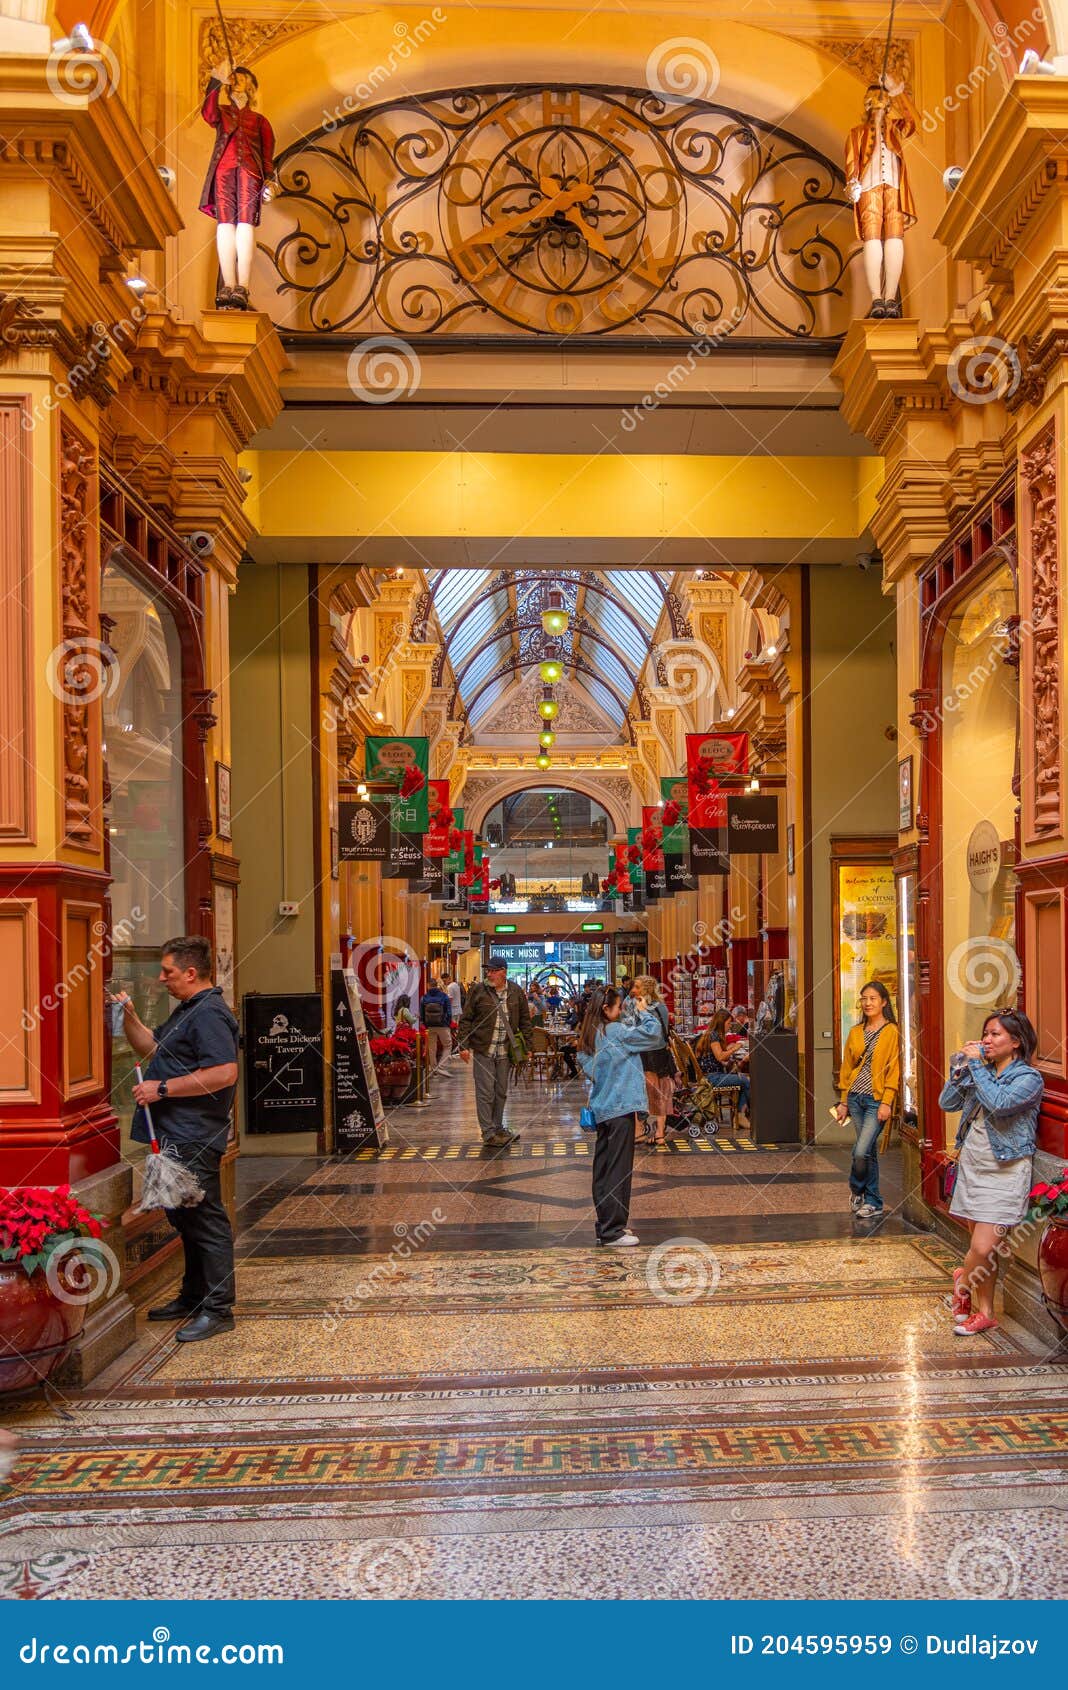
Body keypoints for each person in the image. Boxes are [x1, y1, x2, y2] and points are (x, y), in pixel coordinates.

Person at [112, 936, 239, 1342]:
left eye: (167, 972)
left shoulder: (209, 1014)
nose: (162, 979)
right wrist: (129, 1015)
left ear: (190, 972)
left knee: (205, 1219)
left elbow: (224, 1073)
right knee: (183, 1217)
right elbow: (151, 1047)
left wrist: (161, 1090)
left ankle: (219, 1309)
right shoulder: (188, 1010)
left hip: (195, 1134)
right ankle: (193, 1295)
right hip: (174, 1134)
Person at [939, 1009, 1043, 1336]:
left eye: (995, 1034)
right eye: (985, 1033)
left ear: (1016, 1042)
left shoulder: (1029, 1079)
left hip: (1006, 1171)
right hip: (974, 1165)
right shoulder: (979, 1070)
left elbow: (999, 1103)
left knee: (983, 1248)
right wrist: (960, 1067)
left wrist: (974, 1067)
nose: (986, 1039)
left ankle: (963, 1280)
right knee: (985, 1253)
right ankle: (986, 1312)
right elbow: (947, 1103)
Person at [578, 987, 664, 1246]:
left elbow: (582, 1058)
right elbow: (654, 1034)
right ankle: (613, 1230)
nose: (622, 1010)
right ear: (607, 1010)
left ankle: (605, 1225)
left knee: (604, 1169)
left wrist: (602, 1075)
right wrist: (643, 1011)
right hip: (622, 1108)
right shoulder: (616, 1032)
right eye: (619, 1007)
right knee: (618, 1170)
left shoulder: (593, 1033)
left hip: (603, 1109)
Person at [200, 61, 275, 310]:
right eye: (234, 78)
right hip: (224, 170)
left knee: (244, 223)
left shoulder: (260, 121)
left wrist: (270, 181)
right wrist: (215, 81)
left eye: (241, 78)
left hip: (250, 172)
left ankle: (242, 285)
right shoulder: (222, 112)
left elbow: (267, 155)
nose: (237, 80)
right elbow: (208, 114)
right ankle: (228, 284)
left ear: (251, 87)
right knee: (225, 224)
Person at [844, 77, 917, 318]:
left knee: (895, 237)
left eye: (882, 103)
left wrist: (899, 91)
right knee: (873, 237)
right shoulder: (857, 133)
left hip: (894, 186)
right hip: (869, 187)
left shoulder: (894, 128)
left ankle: (890, 298)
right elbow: (852, 164)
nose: (878, 108)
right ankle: (877, 297)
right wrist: (852, 185)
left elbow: (913, 121)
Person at [834, 981, 900, 1219]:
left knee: (861, 1151)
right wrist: (843, 1101)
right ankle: (873, 1201)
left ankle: (857, 1188)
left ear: (883, 1001)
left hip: (876, 1100)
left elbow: (895, 1068)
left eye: (873, 998)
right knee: (868, 1151)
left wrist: (887, 1101)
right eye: (864, 999)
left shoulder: (892, 1031)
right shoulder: (854, 1032)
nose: (868, 1003)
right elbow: (847, 1068)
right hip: (855, 1099)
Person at [457, 957, 532, 1147]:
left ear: (503, 972)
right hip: (484, 1049)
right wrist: (463, 1046)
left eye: (493, 970)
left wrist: (529, 1047)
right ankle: (488, 1133)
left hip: (505, 1051)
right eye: (487, 970)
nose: (489, 974)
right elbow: (466, 1019)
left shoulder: (516, 992)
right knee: (485, 1093)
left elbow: (524, 1020)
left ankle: (498, 1126)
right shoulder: (478, 991)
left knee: (501, 1092)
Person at [632, 975, 675, 1146]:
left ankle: (639, 1130)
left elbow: (641, 1033)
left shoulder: (642, 1009)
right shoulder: (662, 1007)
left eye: (637, 987)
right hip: (662, 1054)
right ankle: (659, 1134)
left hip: (647, 1054)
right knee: (661, 1094)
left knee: (642, 1093)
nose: (633, 990)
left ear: (645, 990)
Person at [696, 1010, 751, 1125]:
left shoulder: (711, 1034)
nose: (730, 1026)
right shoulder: (713, 1035)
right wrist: (734, 1048)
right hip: (712, 1078)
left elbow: (719, 1059)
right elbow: (720, 1056)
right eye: (729, 1023)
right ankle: (742, 1115)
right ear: (722, 1023)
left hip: (711, 1075)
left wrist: (729, 1056)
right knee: (745, 1081)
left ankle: (742, 1113)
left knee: (742, 1079)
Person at [420, 978, 453, 1072]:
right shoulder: (444, 996)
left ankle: (434, 1068)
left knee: (432, 1047)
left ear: (428, 985)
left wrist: (425, 1024)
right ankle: (441, 1067)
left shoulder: (424, 997)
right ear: (436, 985)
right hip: (443, 1025)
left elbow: (422, 1013)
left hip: (430, 1026)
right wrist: (448, 1023)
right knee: (447, 1045)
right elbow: (449, 1013)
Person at [443, 972, 464, 1047]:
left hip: (453, 1011)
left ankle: (454, 1045)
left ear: (449, 978)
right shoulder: (456, 985)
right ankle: (458, 1045)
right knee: (457, 1029)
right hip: (458, 1009)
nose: (444, 983)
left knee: (453, 1029)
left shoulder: (450, 987)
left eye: (445, 981)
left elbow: (450, 1000)